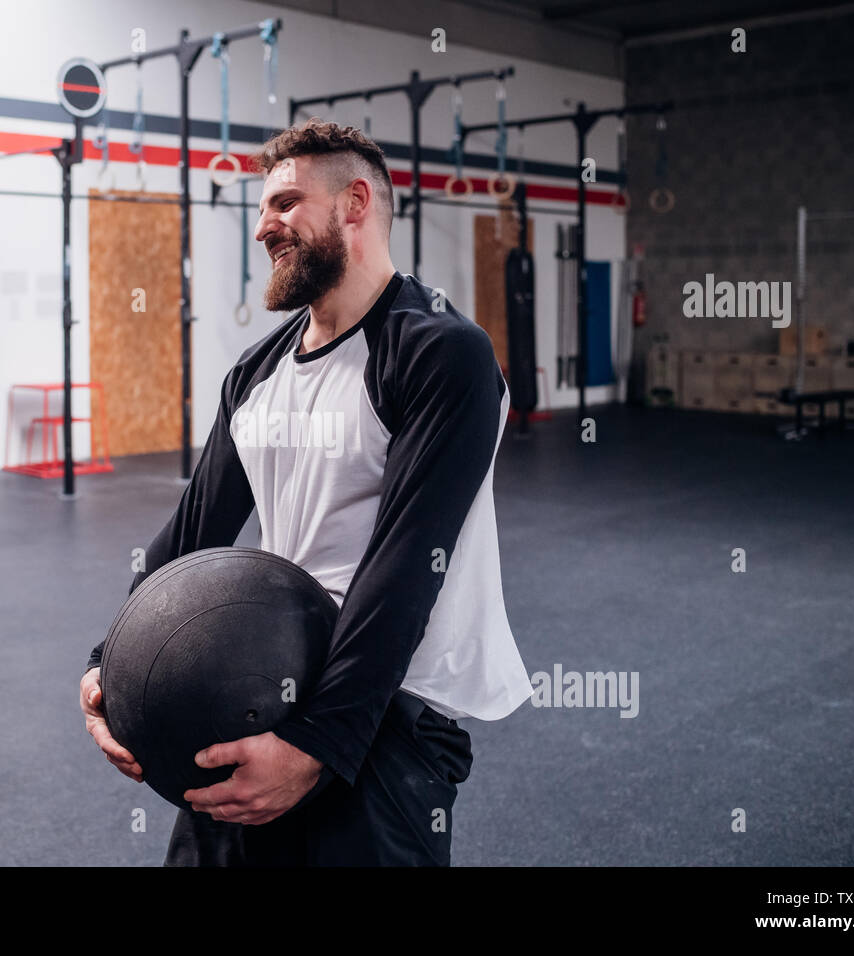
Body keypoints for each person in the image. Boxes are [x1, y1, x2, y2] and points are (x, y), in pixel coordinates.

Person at [80, 118, 533, 866]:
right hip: (257, 687)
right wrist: (112, 666)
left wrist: (318, 743)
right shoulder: (256, 374)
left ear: (356, 204)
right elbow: (189, 537)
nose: (264, 227)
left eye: (285, 204)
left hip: (385, 718)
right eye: (263, 209)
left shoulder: (440, 352)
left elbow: (406, 569)